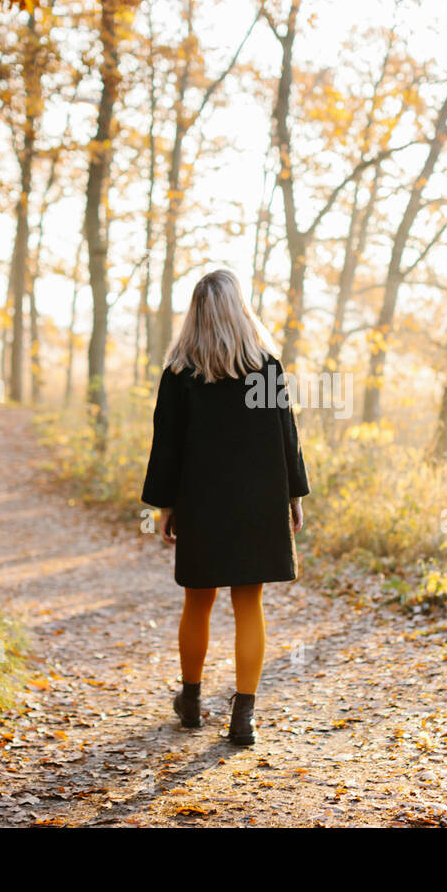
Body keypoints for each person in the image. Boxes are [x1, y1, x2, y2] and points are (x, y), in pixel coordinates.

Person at [141, 267, 309, 746]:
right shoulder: (267, 368)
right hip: (257, 505)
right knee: (248, 603)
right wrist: (293, 495)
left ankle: (191, 702)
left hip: (202, 505)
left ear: (195, 314)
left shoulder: (179, 376)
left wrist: (165, 505)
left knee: (198, 599)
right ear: (240, 311)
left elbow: (166, 446)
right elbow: (287, 440)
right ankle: (244, 717)